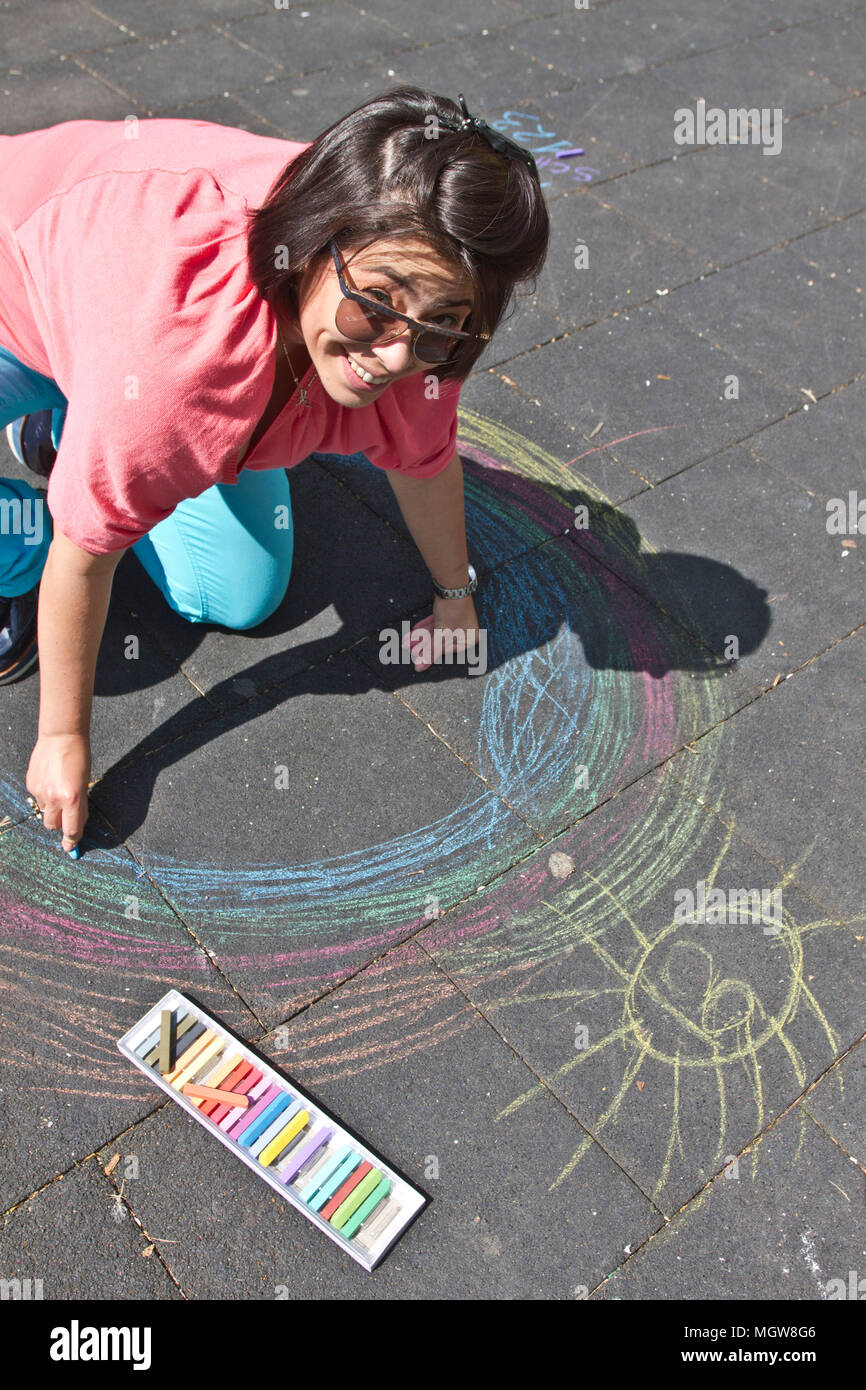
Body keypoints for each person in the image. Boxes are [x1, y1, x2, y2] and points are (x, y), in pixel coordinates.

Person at [0, 87, 549, 854]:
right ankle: (23, 526)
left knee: (236, 592)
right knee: (78, 518)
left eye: (439, 325)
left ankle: (74, 433)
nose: (394, 354)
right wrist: (60, 737)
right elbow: (87, 553)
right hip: (17, 283)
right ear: (318, 237)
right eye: (376, 304)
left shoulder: (423, 345)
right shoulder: (178, 366)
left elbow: (425, 466)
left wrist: (455, 596)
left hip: (122, 351)